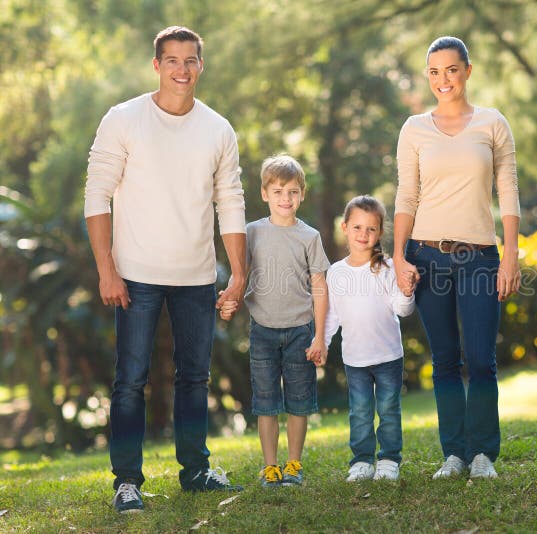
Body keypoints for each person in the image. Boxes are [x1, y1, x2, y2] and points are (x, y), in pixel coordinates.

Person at [84, 26, 246, 513]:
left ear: (201, 65)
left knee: (195, 378)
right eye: (172, 60)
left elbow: (230, 202)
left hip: (196, 276)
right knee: (130, 380)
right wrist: (106, 270)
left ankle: (195, 471)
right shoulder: (124, 119)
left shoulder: (219, 129)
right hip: (135, 274)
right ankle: (127, 482)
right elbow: (96, 194)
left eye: (190, 60)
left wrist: (237, 273)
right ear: (157, 65)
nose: (181, 69)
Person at [393, 36, 521, 480]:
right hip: (426, 257)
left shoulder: (492, 123)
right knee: (445, 358)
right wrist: (398, 257)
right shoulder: (414, 129)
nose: (442, 80)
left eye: (450, 70)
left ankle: (484, 454)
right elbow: (406, 196)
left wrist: (510, 257)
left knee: (481, 358)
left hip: (481, 258)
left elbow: (508, 191)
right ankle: (455, 453)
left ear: (467, 70)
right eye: (434, 72)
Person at [220, 155, 329, 488]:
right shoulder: (251, 232)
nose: (286, 198)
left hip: (300, 331)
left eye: (293, 192)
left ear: (302, 195)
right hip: (262, 332)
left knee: (298, 403)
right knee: (265, 403)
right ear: (265, 193)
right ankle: (271, 467)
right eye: (279, 191)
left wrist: (320, 337)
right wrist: (229, 301)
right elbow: (240, 275)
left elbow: (320, 288)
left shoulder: (309, 236)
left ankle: (293, 465)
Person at [323, 196, 415, 482]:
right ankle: (361, 461)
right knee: (360, 412)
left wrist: (407, 291)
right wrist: (322, 344)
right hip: (355, 359)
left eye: (371, 229)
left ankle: (389, 459)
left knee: (388, 410)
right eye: (357, 227)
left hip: (388, 356)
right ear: (345, 227)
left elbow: (402, 310)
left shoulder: (388, 267)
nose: (363, 234)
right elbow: (332, 316)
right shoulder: (336, 272)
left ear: (380, 233)